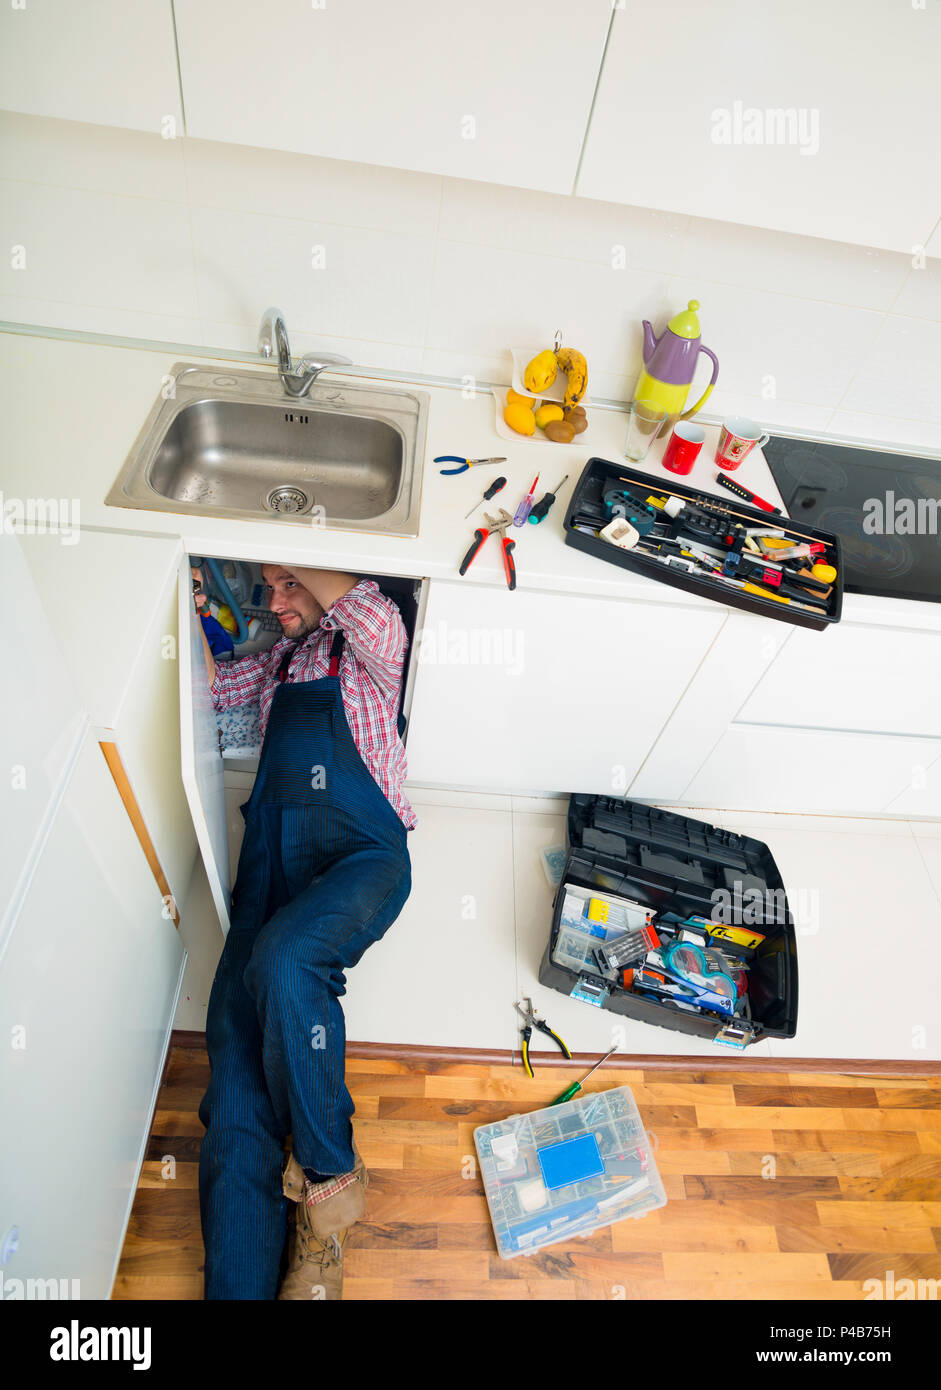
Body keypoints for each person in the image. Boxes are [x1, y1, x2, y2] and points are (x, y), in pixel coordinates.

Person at [196, 564, 415, 1301]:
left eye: (287, 584)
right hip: (266, 878)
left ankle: (328, 1187)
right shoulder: (271, 669)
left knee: (288, 961)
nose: (275, 600)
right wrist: (188, 610)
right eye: (268, 589)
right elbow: (197, 695)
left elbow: (361, 600)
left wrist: (285, 546)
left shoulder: (367, 651)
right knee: (231, 1092)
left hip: (360, 855)